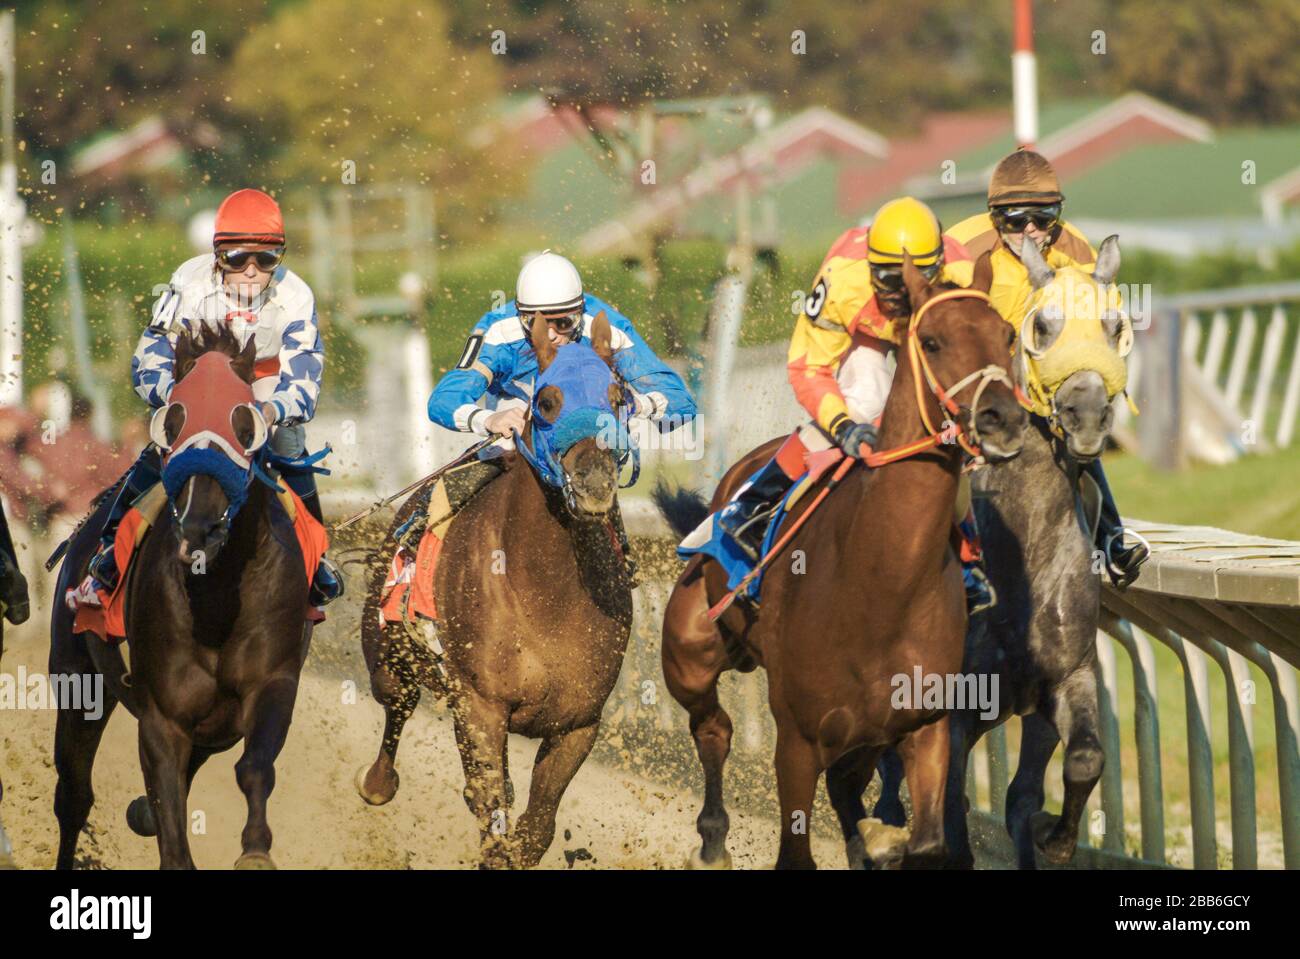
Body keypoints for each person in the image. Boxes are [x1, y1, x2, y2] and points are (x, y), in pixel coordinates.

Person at [716, 196, 997, 612]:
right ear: (870, 269)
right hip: (863, 333)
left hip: (931, 336)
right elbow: (808, 368)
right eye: (891, 281)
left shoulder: (961, 274)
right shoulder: (843, 281)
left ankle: (968, 555)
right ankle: (754, 502)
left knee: (945, 439)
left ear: (939, 268)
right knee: (864, 394)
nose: (905, 294)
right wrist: (844, 425)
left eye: (919, 278)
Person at [80, 188, 342, 606]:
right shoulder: (188, 280)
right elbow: (149, 356)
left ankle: (318, 561)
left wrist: (271, 411)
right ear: (218, 256)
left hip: (261, 388)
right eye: (238, 258)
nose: (253, 271)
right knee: (162, 446)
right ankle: (109, 550)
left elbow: (305, 381)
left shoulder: (298, 295)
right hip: (197, 386)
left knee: (289, 442)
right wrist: (176, 399)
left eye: (267, 258)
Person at [420, 250, 696, 578]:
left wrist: (636, 404)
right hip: (518, 425)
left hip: (585, 440)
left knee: (600, 470)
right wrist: (488, 419)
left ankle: (622, 560)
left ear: (579, 312)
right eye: (535, 323)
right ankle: (412, 585)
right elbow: (443, 399)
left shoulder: (608, 326)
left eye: (562, 323)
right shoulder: (498, 330)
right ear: (521, 316)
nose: (550, 335)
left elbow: (680, 402)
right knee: (442, 494)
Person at [946, 149, 1149, 586]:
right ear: (994, 217)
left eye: (1044, 218)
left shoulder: (1074, 249)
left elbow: (1101, 324)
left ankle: (1111, 539)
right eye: (1016, 220)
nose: (1032, 232)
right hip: (968, 372)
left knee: (1080, 420)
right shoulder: (962, 253)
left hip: (1035, 375)